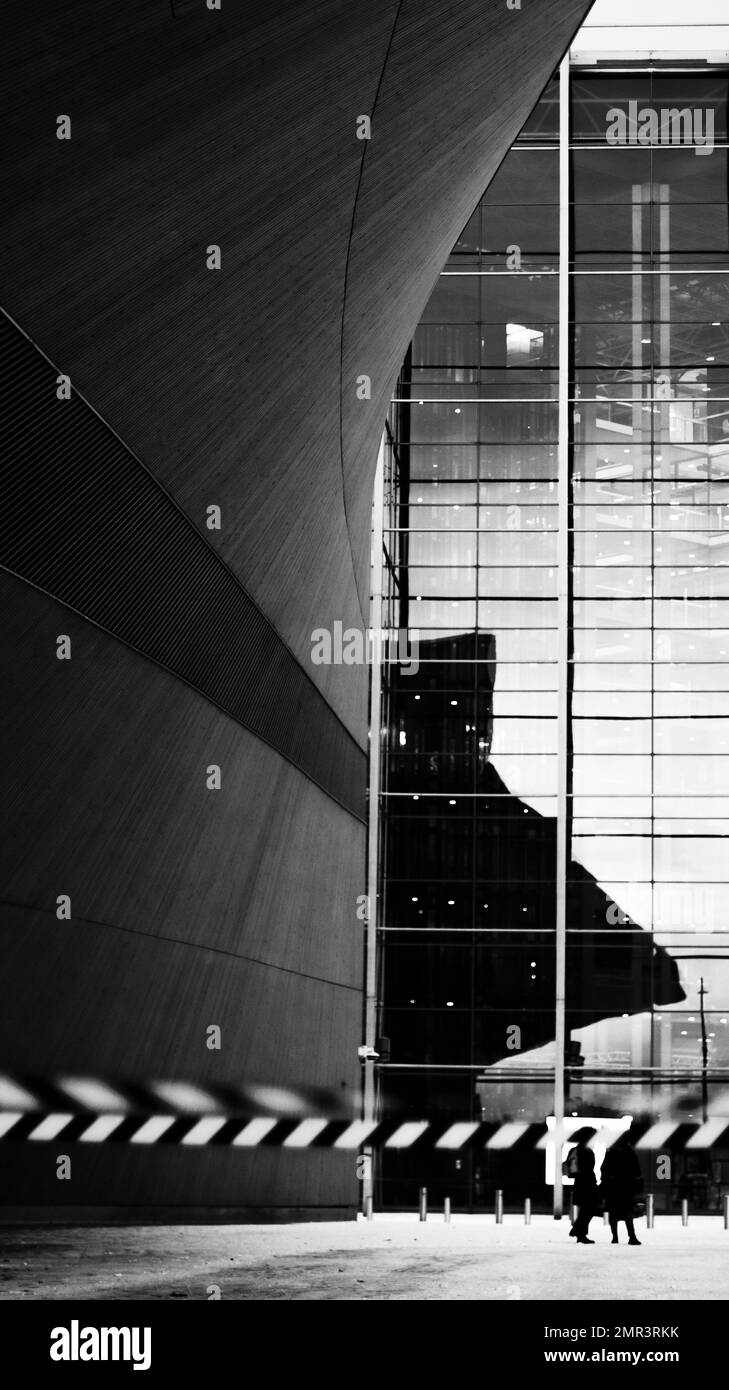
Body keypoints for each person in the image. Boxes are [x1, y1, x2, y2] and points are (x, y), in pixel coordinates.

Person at [600, 1131, 643, 1246]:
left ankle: (615, 1237)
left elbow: (603, 1168)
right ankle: (632, 1237)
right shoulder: (630, 1152)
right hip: (626, 1187)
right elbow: (637, 1171)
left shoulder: (611, 1152)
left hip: (613, 1187)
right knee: (628, 1213)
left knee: (613, 1213)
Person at [564, 1130, 598, 1245]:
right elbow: (589, 1168)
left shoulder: (574, 1150)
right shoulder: (587, 1150)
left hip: (578, 1183)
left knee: (585, 1209)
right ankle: (579, 1232)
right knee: (590, 1209)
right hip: (587, 1183)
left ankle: (580, 1233)